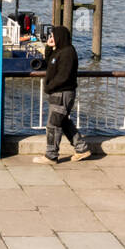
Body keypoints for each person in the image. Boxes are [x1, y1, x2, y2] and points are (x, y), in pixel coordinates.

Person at [33, 24, 91, 164]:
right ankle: (82, 149)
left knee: (53, 124)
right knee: (63, 122)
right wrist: (48, 46)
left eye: (53, 36)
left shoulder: (68, 53)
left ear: (60, 36)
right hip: (59, 93)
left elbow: (63, 76)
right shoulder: (59, 51)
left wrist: (48, 87)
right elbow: (49, 61)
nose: (51, 38)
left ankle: (51, 155)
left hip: (62, 93)